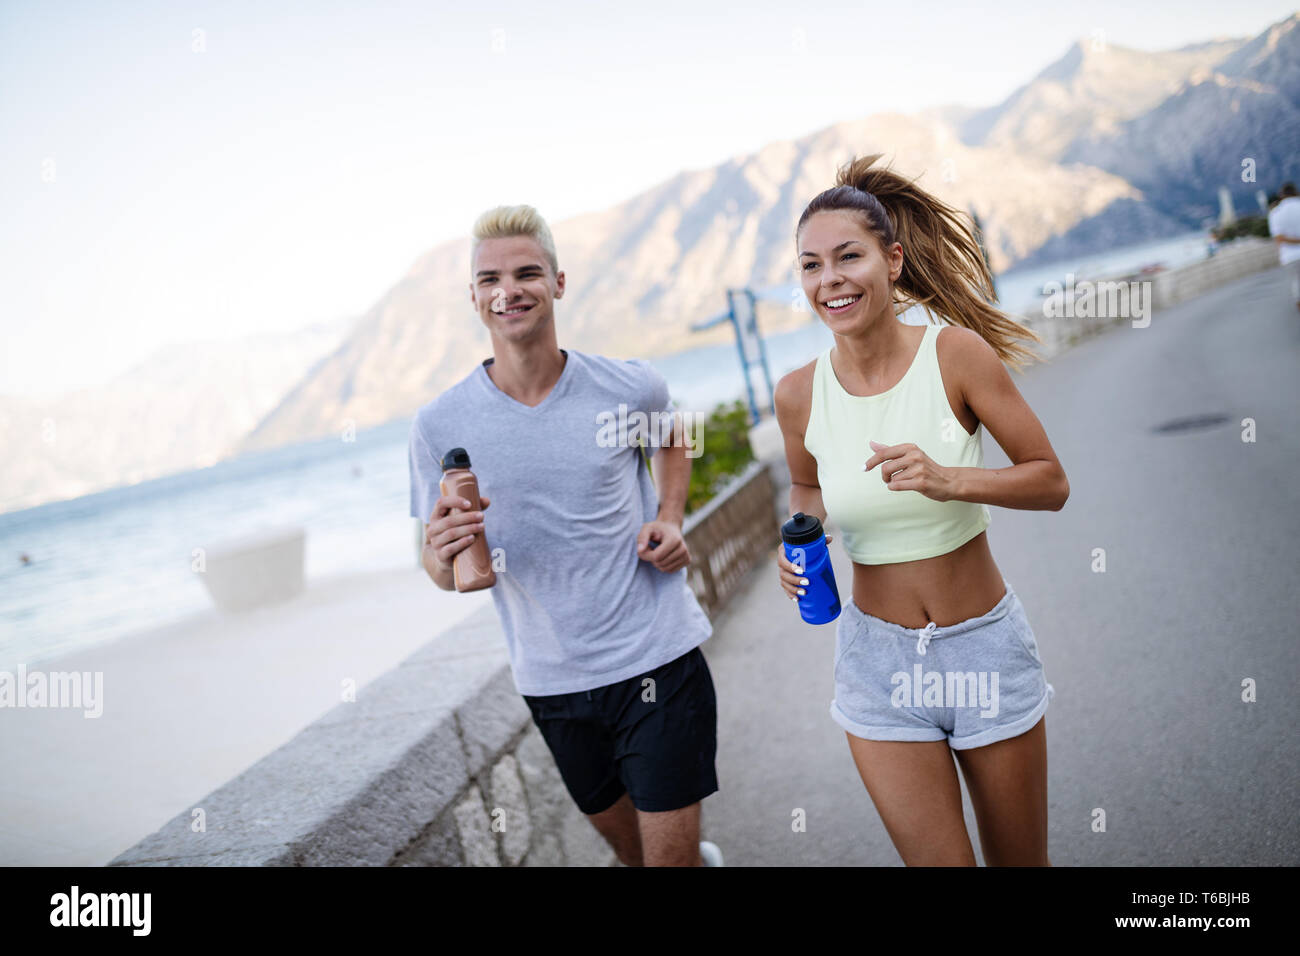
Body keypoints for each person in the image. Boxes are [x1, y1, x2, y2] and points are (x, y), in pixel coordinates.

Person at [773, 154, 1069, 866]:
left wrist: (950, 480)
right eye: (811, 266)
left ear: (893, 260)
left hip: (984, 649)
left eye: (849, 257)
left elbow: (1050, 481)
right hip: (877, 664)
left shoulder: (956, 356)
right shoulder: (798, 394)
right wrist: (801, 544)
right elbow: (806, 486)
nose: (830, 280)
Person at [408, 204, 723, 867]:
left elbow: (675, 435)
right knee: (635, 856)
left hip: (657, 659)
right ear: (474, 297)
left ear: (558, 282)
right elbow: (440, 570)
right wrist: (440, 554)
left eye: (527, 272)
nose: (509, 289)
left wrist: (668, 515)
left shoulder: (626, 386)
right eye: (490, 278)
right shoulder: (440, 426)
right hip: (553, 684)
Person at [1267, 182, 1300, 311]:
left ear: (1281, 195)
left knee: (1297, 285)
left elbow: (1279, 238)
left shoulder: (1275, 213)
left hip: (1289, 257)